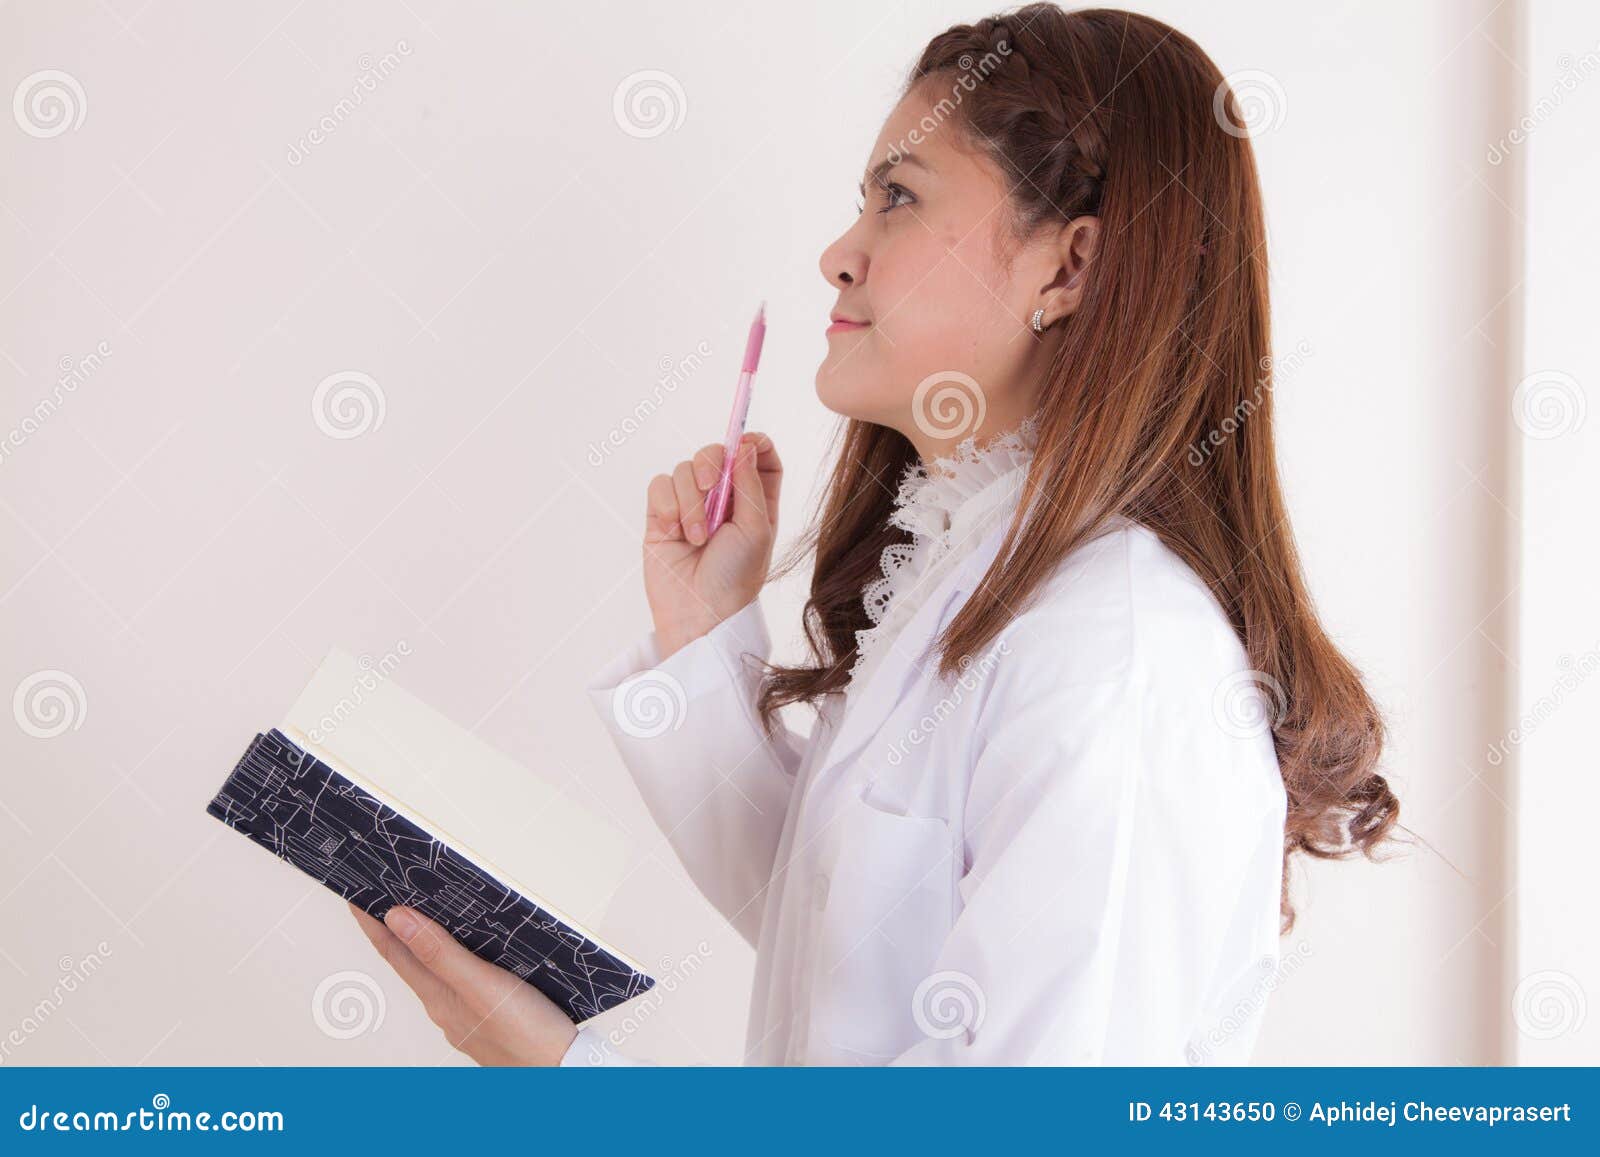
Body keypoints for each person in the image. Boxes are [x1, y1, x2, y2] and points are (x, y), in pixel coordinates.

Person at [354, 3, 1399, 1066]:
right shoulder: (975, 582)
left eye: (897, 197)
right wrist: (704, 631)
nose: (837, 254)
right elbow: (853, 931)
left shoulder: (1110, 655)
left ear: (1068, 266)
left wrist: (564, 1076)